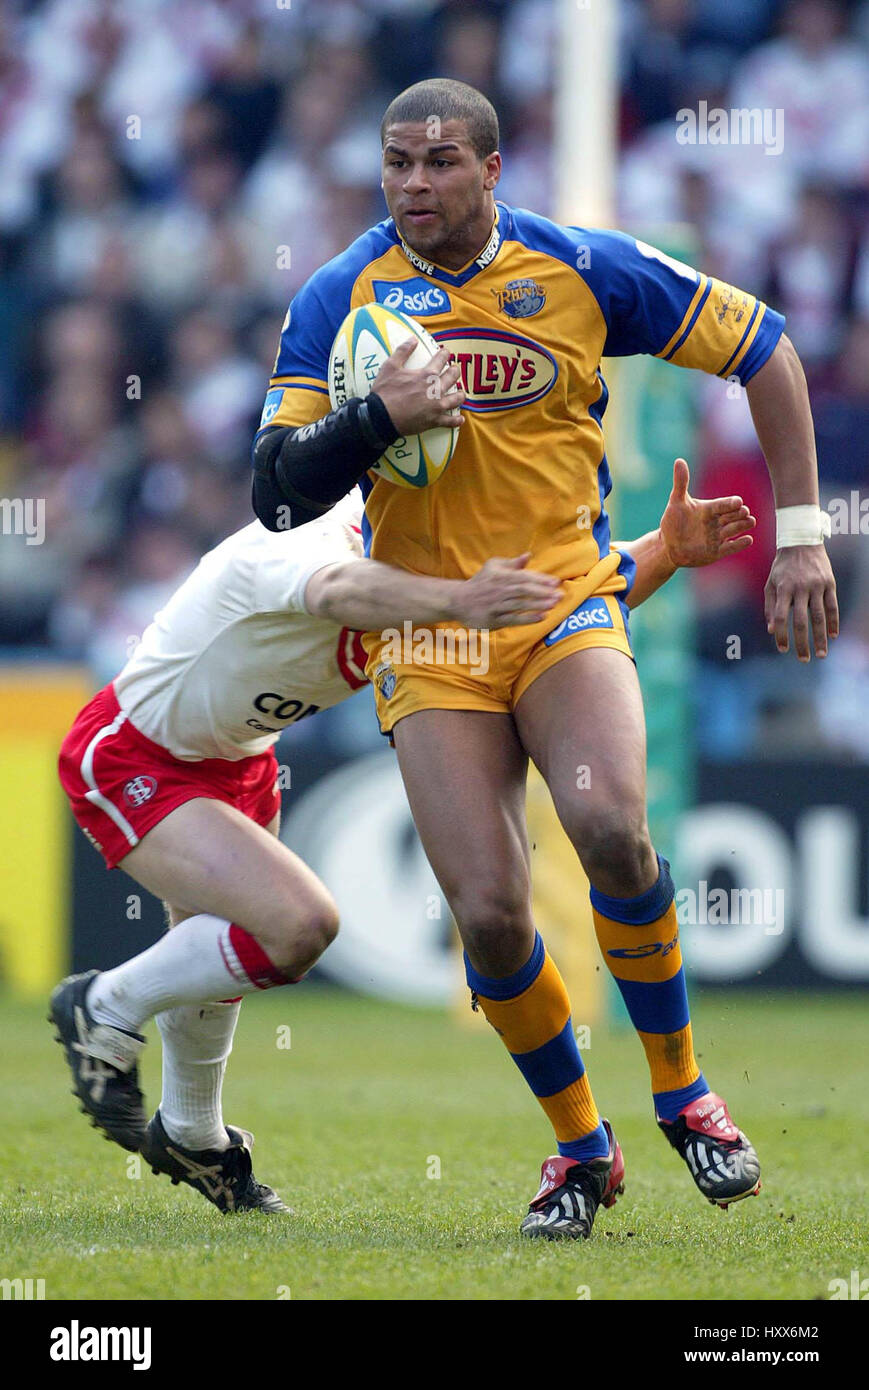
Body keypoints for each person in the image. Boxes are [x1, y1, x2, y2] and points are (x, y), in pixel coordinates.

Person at [251, 77, 837, 1239]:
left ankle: (683, 1094)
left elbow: (763, 346)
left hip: (566, 602)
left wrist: (804, 534)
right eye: (396, 163)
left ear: (489, 169)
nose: (414, 184)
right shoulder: (339, 296)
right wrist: (376, 420)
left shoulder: (576, 267)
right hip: (431, 629)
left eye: (439, 163)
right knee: (489, 915)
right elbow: (273, 497)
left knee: (613, 825)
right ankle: (580, 1145)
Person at [50, 466, 752, 1215]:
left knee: (217, 957)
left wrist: (662, 551)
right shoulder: (322, 532)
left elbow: (553, 610)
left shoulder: (438, 547)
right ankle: (105, 1005)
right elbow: (334, 593)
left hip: (240, 759)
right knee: (298, 925)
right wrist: (458, 598)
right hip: (136, 753)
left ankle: (192, 1129)